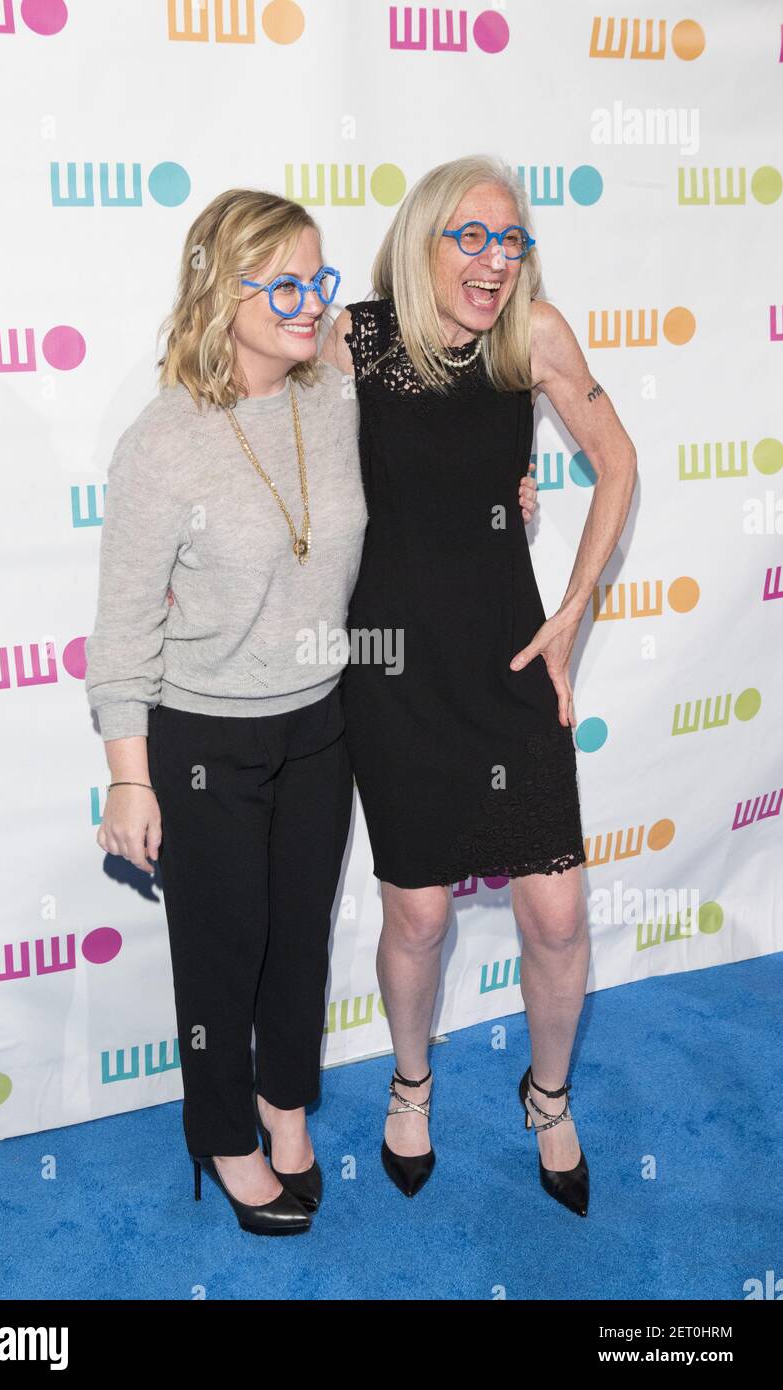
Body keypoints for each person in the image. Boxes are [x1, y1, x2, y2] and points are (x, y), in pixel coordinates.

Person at [322, 154, 637, 1217]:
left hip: (507, 655)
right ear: (421, 240)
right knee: (414, 913)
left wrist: (574, 606)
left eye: (510, 241)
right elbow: (278, 464)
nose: (493, 261)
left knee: (555, 914)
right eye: (471, 236)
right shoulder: (352, 339)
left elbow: (617, 460)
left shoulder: (532, 336)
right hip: (391, 667)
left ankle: (546, 1097)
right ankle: (410, 1083)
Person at [84, 189, 371, 1235]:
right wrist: (129, 773)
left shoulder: (333, 399)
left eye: (318, 279)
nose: (311, 304)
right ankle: (220, 1129)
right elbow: (121, 630)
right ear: (222, 290)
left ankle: (284, 1102)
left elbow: (430, 466)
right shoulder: (162, 442)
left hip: (321, 726)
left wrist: (509, 487)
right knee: (222, 946)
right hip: (205, 737)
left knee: (300, 937)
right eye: (284, 284)